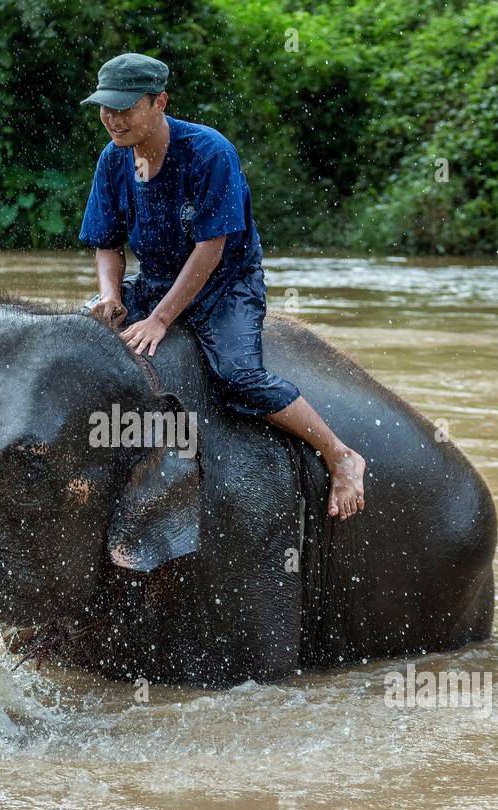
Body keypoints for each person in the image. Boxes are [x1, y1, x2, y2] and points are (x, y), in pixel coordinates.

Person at [78, 53, 366, 519]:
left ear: (159, 103)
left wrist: (160, 319)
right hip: (153, 281)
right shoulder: (113, 160)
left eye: (126, 107)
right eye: (106, 108)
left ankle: (339, 453)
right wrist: (111, 296)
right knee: (80, 334)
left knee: (238, 376)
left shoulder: (209, 153)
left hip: (225, 285)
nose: (113, 119)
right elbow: (106, 242)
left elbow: (211, 249)